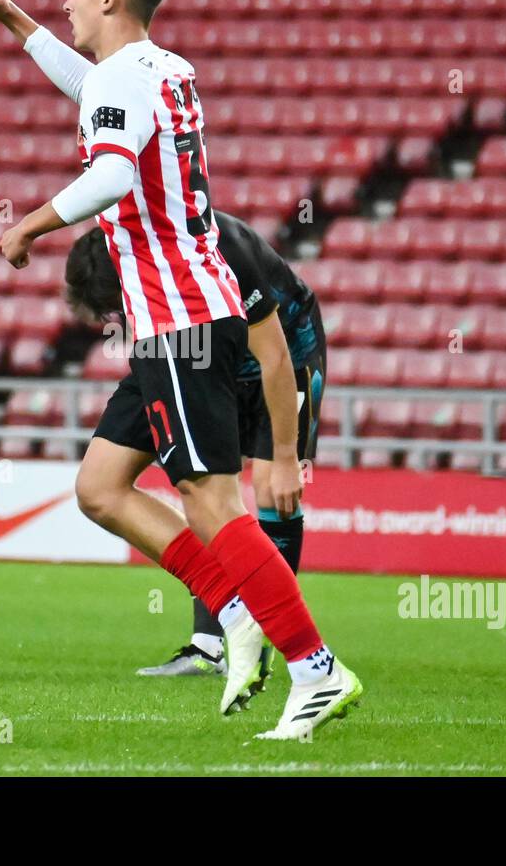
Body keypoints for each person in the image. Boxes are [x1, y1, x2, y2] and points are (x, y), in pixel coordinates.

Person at [0, 0, 361, 738]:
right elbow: (92, 88)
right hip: (174, 318)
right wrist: (16, 21)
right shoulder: (163, 69)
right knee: (102, 488)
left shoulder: (124, 79)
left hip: (181, 319)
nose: (69, 2)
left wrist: (30, 228)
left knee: (214, 503)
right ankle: (234, 611)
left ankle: (316, 669)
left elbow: (111, 174)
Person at [65, 213, 325, 684]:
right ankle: (219, 634)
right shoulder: (139, 274)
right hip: (188, 351)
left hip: (281, 353)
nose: (117, 318)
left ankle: (282, 644)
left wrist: (287, 456)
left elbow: (275, 354)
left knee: (271, 491)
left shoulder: (218, 248)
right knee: (99, 487)